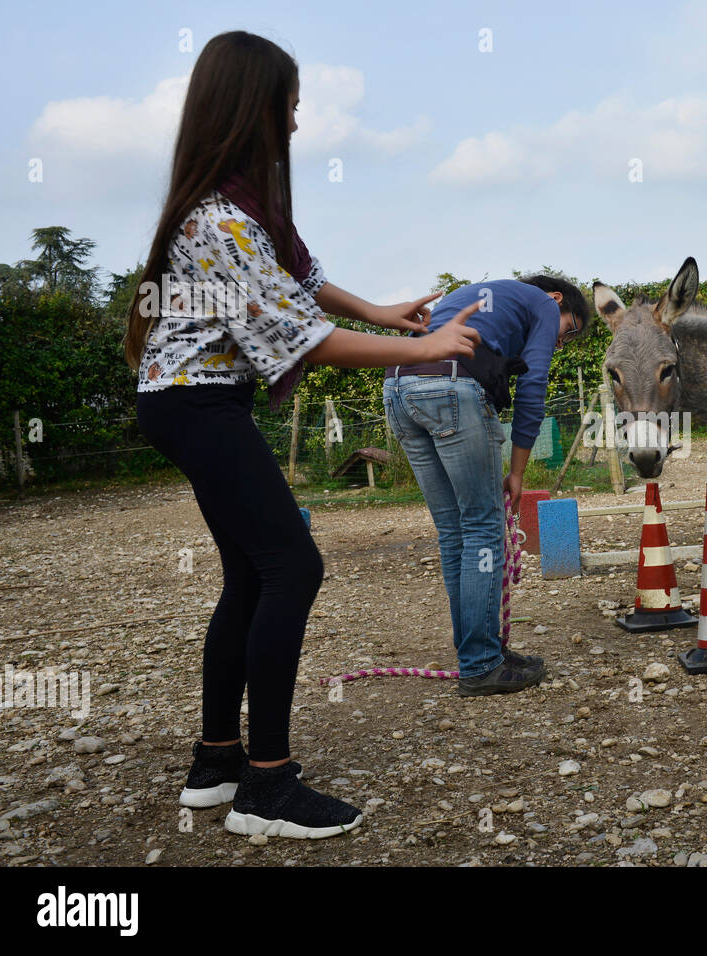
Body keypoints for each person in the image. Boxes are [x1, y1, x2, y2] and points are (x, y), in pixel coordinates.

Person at [127, 30, 481, 840]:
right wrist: (419, 348)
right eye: (289, 105)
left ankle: (216, 764)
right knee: (295, 564)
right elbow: (302, 338)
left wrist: (383, 311)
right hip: (197, 403)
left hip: (190, 400)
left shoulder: (242, 208)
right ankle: (268, 788)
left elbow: (307, 284)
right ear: (253, 107)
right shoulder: (217, 221)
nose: (295, 123)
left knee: (251, 577)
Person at [384, 275, 591, 696]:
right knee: (483, 528)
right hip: (450, 387)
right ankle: (481, 664)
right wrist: (517, 470)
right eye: (567, 331)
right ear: (557, 301)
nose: (558, 343)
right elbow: (533, 386)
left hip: (398, 388)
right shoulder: (543, 304)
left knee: (455, 534)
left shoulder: (489, 298)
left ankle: (480, 653)